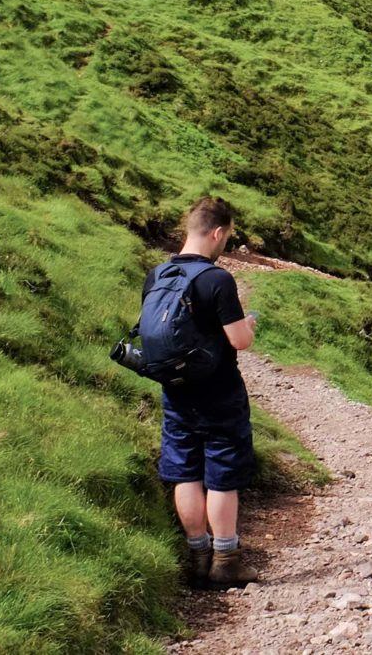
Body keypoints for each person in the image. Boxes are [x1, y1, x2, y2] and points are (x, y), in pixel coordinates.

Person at [146, 195, 262, 588]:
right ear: (217, 232)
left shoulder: (158, 275)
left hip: (175, 389)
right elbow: (239, 340)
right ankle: (225, 559)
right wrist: (247, 324)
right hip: (218, 390)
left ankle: (198, 554)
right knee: (222, 473)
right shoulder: (217, 279)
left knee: (185, 472)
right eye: (227, 237)